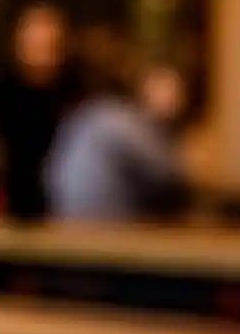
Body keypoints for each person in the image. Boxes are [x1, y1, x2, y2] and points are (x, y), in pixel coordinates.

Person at [44, 63, 188, 222]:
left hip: (65, 220)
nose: (171, 98)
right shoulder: (124, 123)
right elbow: (169, 177)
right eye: (163, 89)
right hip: (105, 229)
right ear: (144, 89)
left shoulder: (97, 114)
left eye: (176, 91)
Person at [0, 1, 82, 220]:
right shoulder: (1, 98)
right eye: (34, 31)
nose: (42, 38)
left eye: (49, 31)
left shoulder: (80, 99)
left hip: (73, 219)